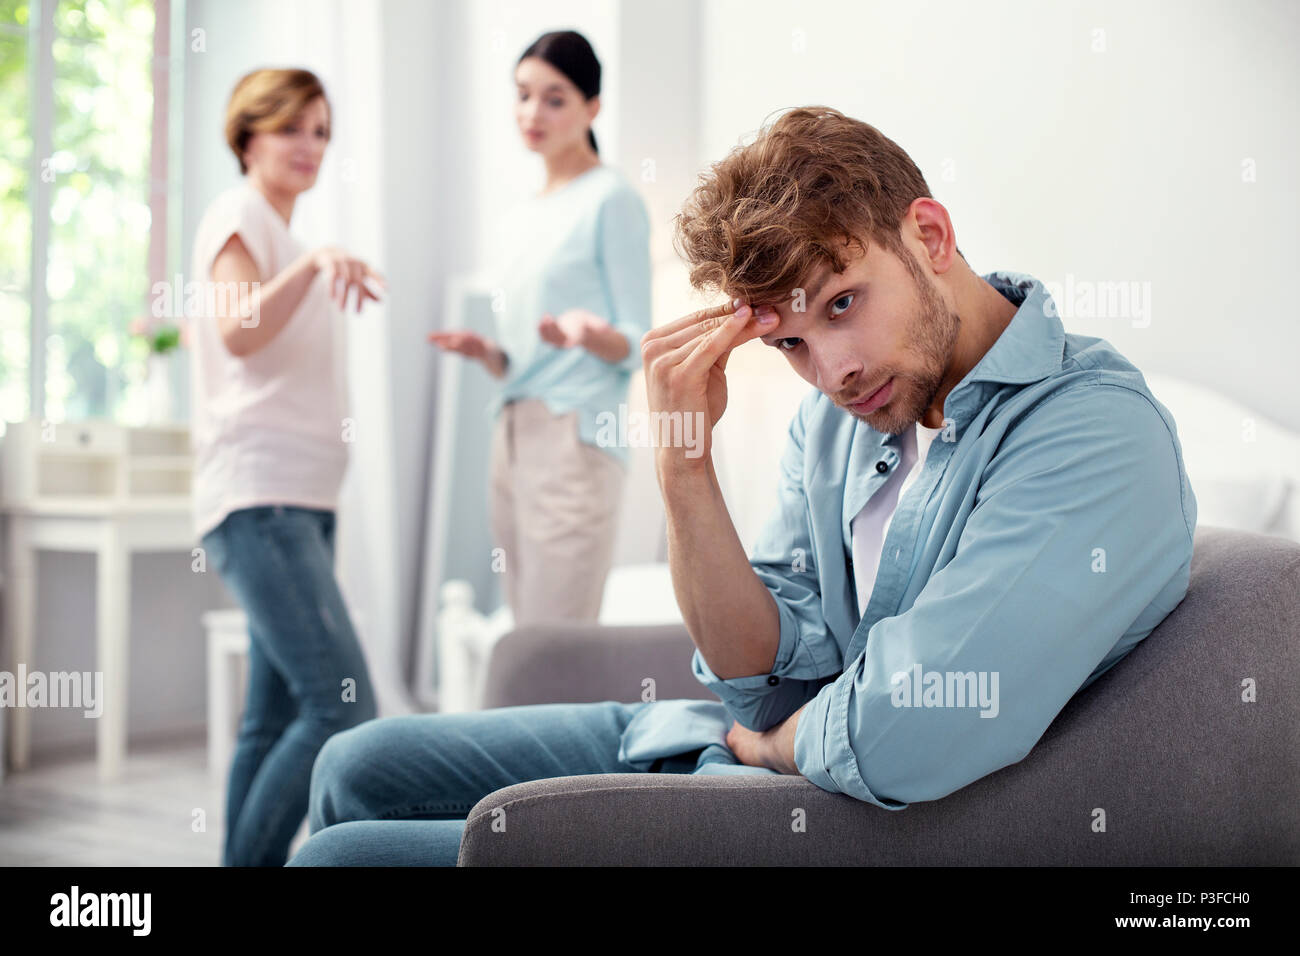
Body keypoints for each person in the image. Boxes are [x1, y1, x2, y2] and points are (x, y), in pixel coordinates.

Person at [286, 106, 1196, 865]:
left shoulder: (1093, 434)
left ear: (929, 235)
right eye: (789, 342)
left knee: (338, 859)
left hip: (845, 818)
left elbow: (908, 725)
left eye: (842, 302)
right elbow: (757, 680)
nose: (833, 371)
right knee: (354, 765)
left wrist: (771, 746)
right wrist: (683, 462)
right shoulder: (842, 418)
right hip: (723, 751)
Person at [191, 67, 383, 866]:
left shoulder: (288, 239)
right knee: (342, 704)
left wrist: (309, 262)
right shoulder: (241, 216)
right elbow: (239, 331)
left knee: (270, 722)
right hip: (260, 499)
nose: (310, 145)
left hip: (298, 502)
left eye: (321, 131)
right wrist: (309, 269)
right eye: (292, 127)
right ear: (247, 135)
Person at [427, 30, 651, 625]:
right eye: (523, 94)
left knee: (558, 641)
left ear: (592, 108)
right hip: (514, 433)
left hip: (575, 437)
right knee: (526, 633)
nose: (533, 112)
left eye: (555, 98)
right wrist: (490, 354)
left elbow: (638, 343)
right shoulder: (519, 217)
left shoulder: (612, 200)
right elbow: (529, 356)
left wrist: (588, 333)